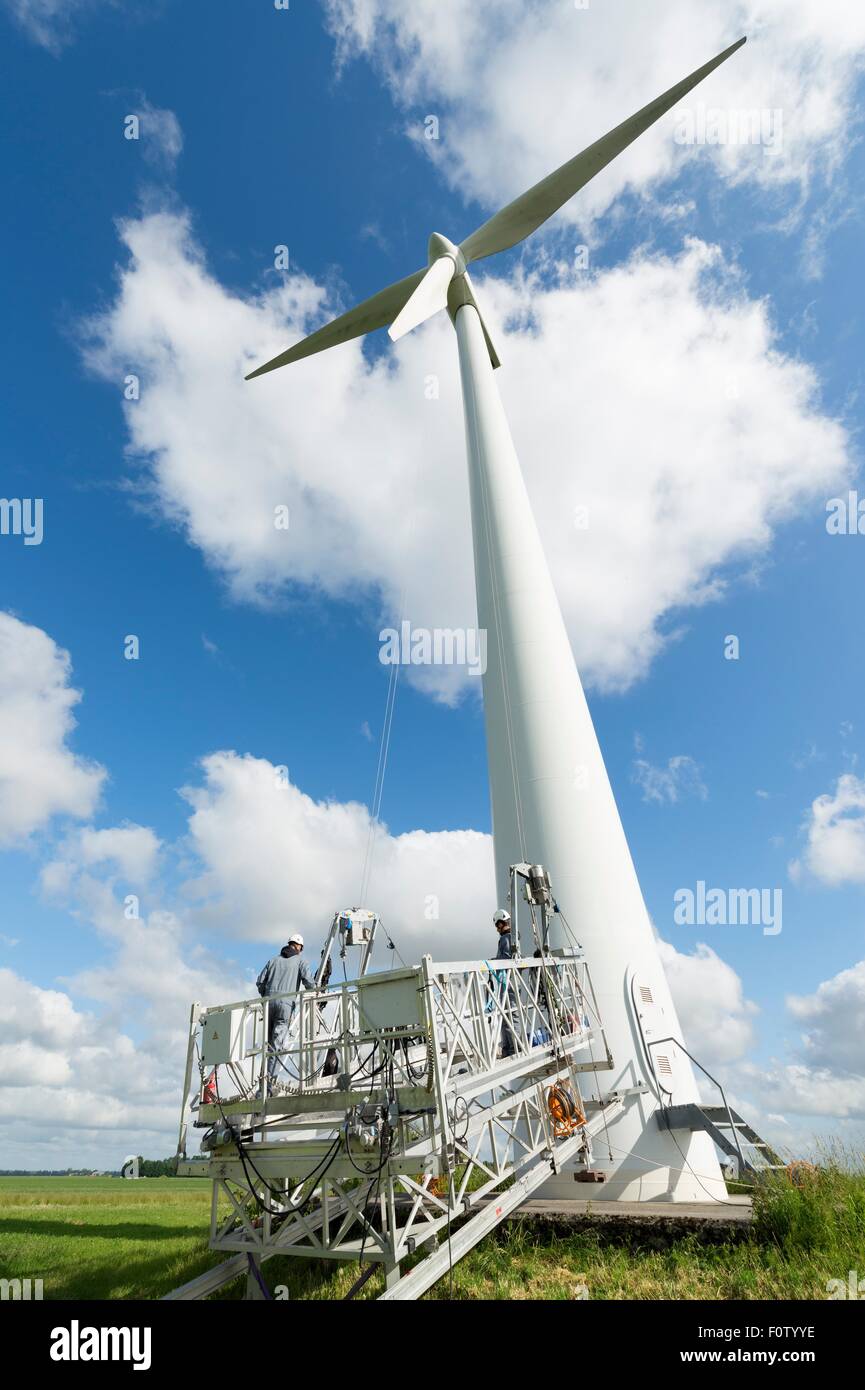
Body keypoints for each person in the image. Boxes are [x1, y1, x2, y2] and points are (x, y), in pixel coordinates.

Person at [256, 935, 316, 1084]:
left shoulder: (273, 960)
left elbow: (260, 982)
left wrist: (267, 995)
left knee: (268, 1044)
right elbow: (309, 982)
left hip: (269, 1003)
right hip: (286, 1007)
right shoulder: (301, 961)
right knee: (277, 1046)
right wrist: (316, 991)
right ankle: (268, 1087)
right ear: (299, 947)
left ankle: (262, 1086)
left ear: (288, 944)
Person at [492, 909, 516, 1056]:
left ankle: (512, 1046)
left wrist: (494, 962)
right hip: (507, 981)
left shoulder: (506, 939)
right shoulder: (510, 938)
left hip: (507, 981)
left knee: (509, 1013)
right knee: (507, 1013)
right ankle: (510, 1046)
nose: (497, 928)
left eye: (497, 925)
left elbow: (506, 959)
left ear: (502, 922)